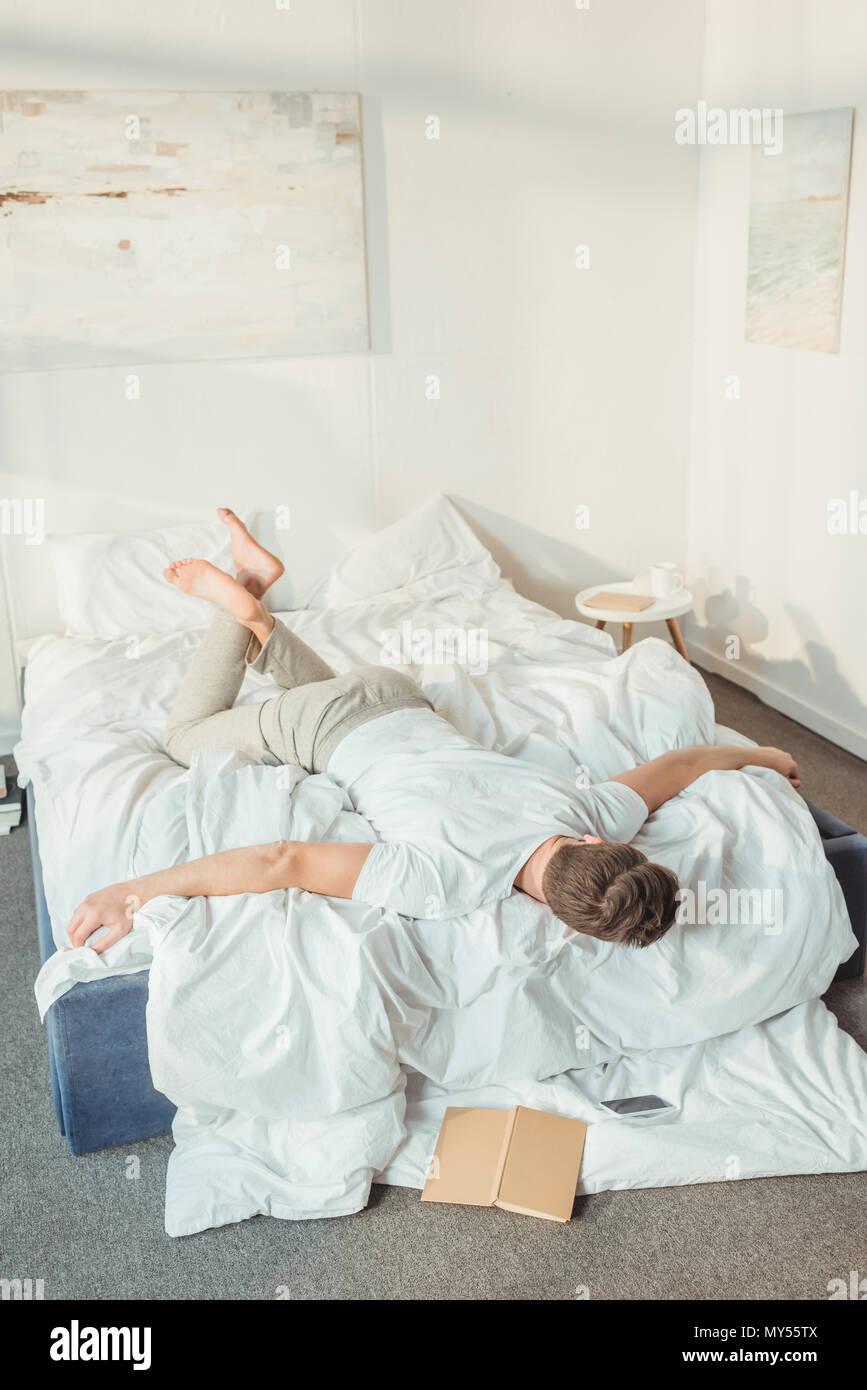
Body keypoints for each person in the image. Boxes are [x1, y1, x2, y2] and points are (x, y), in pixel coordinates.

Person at [67, 510, 800, 956]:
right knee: (184, 735)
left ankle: (255, 604)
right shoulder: (441, 883)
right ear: (563, 917)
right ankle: (242, 602)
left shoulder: (591, 814)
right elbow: (280, 861)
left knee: (263, 709)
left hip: (393, 693)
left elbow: (680, 764)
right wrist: (132, 892)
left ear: (595, 848)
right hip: (330, 725)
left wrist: (759, 754)